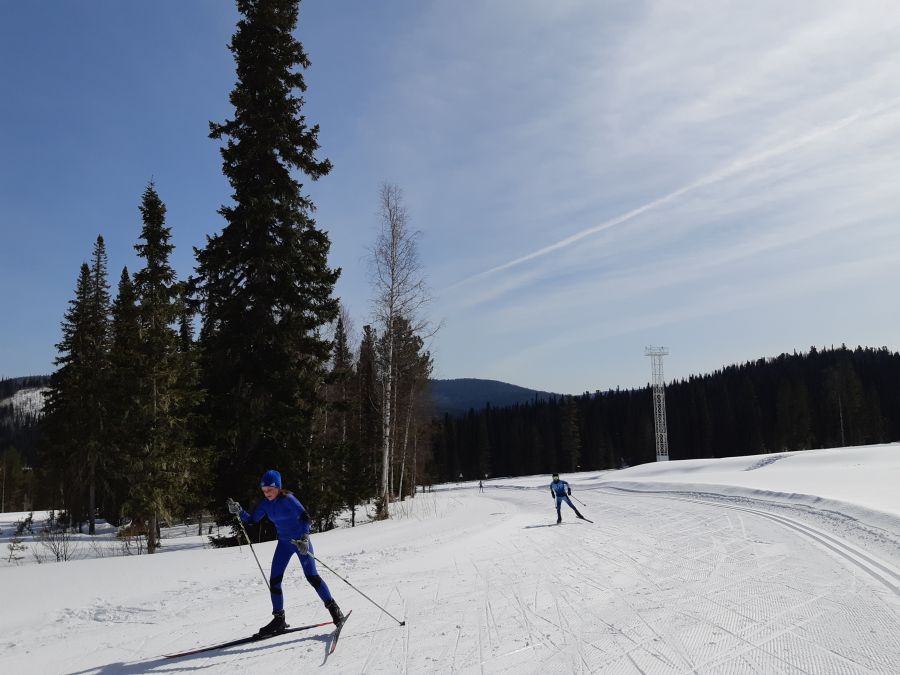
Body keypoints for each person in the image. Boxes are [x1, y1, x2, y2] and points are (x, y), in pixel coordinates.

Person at [226, 469, 345, 636]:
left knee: (312, 577)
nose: (267, 493)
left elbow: (305, 517)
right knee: (275, 580)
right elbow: (252, 520)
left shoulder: (288, 499)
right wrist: (239, 511)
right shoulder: (266, 504)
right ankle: (279, 619)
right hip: (284, 544)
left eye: (270, 489)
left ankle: (335, 611)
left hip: (300, 542)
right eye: (264, 490)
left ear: (278, 487)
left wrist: (305, 538)